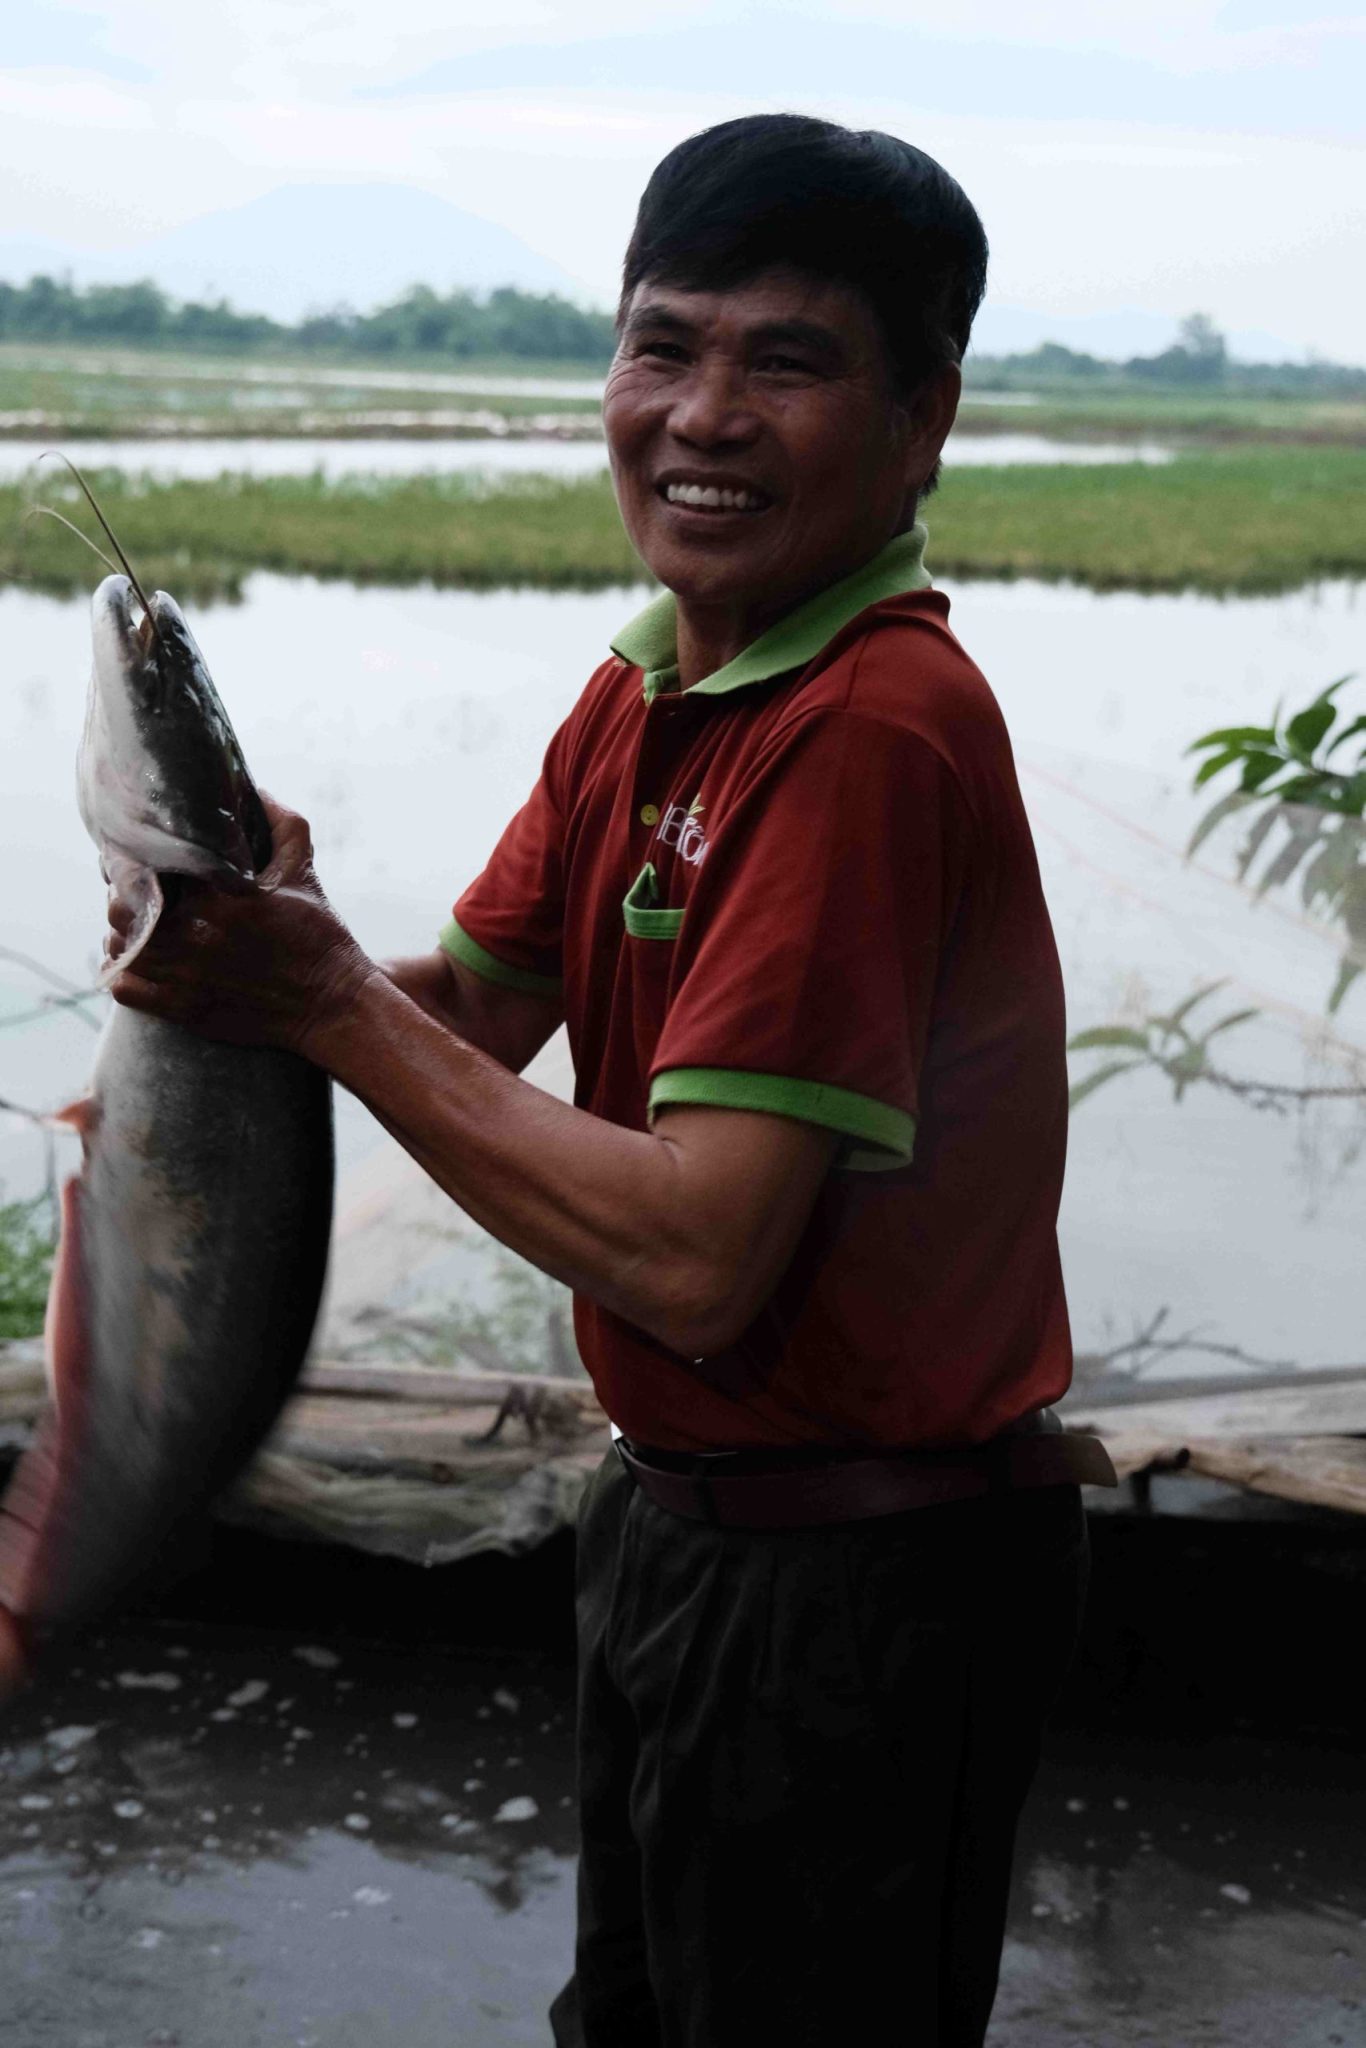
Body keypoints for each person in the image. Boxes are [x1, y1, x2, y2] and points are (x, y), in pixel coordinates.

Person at [109, 113, 1114, 2048]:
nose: (702, 416)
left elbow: (693, 1260)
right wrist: (256, 952)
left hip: (862, 1570)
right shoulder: (649, 684)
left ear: (922, 420)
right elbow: (470, 1015)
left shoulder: (867, 727)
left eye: (786, 363)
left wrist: (327, 1006)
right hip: (674, 1523)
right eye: (663, 345)